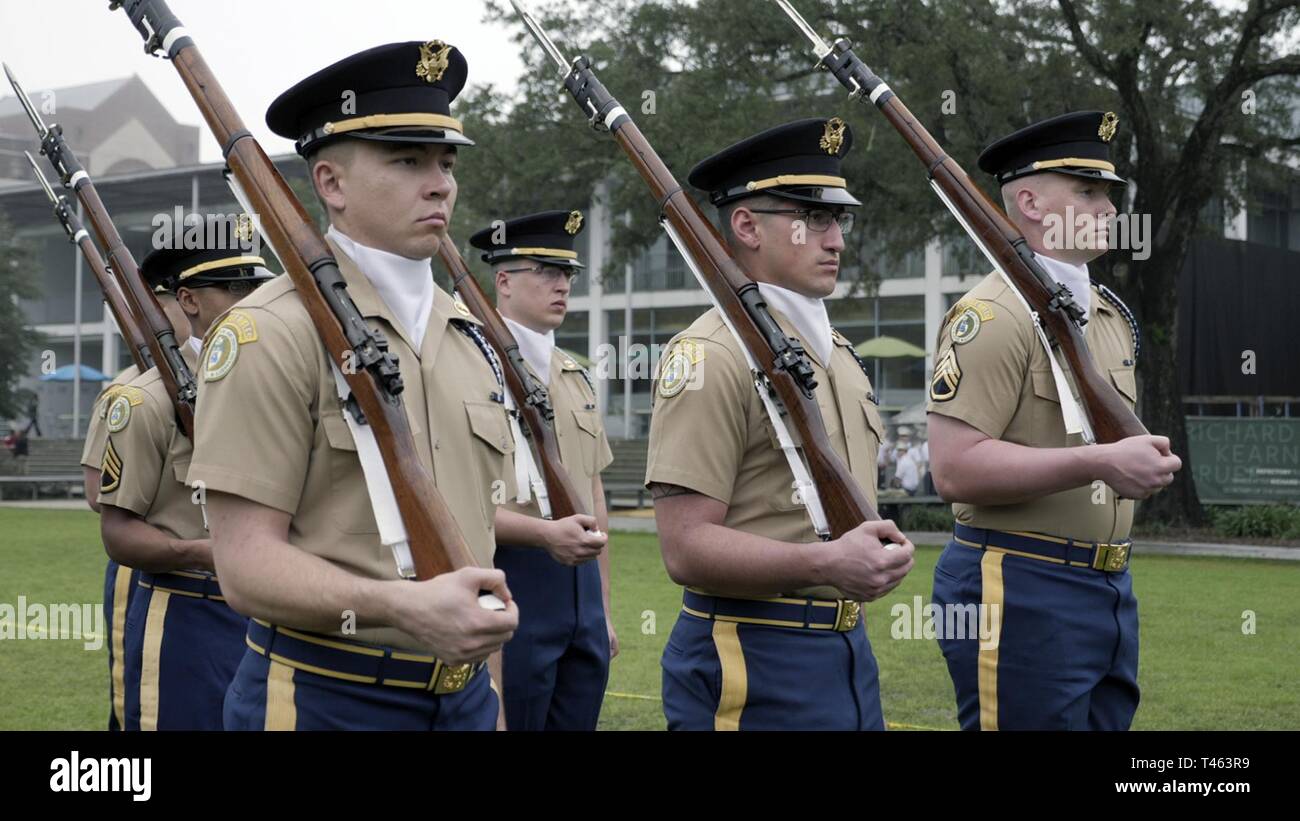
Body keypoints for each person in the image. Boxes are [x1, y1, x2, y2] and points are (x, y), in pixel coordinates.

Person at [189, 40, 520, 730]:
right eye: (407, 159)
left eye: (446, 162)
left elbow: (477, 544)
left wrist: (488, 695)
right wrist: (400, 605)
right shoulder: (268, 333)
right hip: (323, 695)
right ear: (332, 183)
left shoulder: (472, 338)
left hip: (466, 701)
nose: (440, 183)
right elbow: (245, 565)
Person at [645, 118, 915, 731]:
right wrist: (825, 565)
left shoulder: (839, 356)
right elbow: (685, 546)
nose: (836, 240)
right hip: (751, 658)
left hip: (846, 654)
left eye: (839, 220)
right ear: (746, 226)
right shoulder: (711, 353)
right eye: (812, 218)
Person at [926, 111, 1182, 730]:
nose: (1110, 207)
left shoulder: (1109, 315)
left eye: (1108, 193)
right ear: (1032, 202)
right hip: (1017, 583)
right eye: (1088, 191)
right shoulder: (991, 317)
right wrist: (1098, 462)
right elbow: (955, 469)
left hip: (1107, 584)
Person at [98, 222, 274, 730]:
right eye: (235, 289)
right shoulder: (146, 401)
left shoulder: (284, 389)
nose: (253, 300)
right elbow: (117, 529)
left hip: (274, 617)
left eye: (257, 286)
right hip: (188, 614)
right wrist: (205, 553)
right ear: (188, 300)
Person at [470, 209, 616, 731]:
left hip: (580, 597)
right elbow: (454, 497)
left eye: (567, 275)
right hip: (513, 581)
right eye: (546, 272)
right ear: (503, 281)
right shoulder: (469, 368)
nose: (562, 286)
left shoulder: (572, 375)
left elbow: (594, 490)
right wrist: (543, 533)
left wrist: (600, 607)